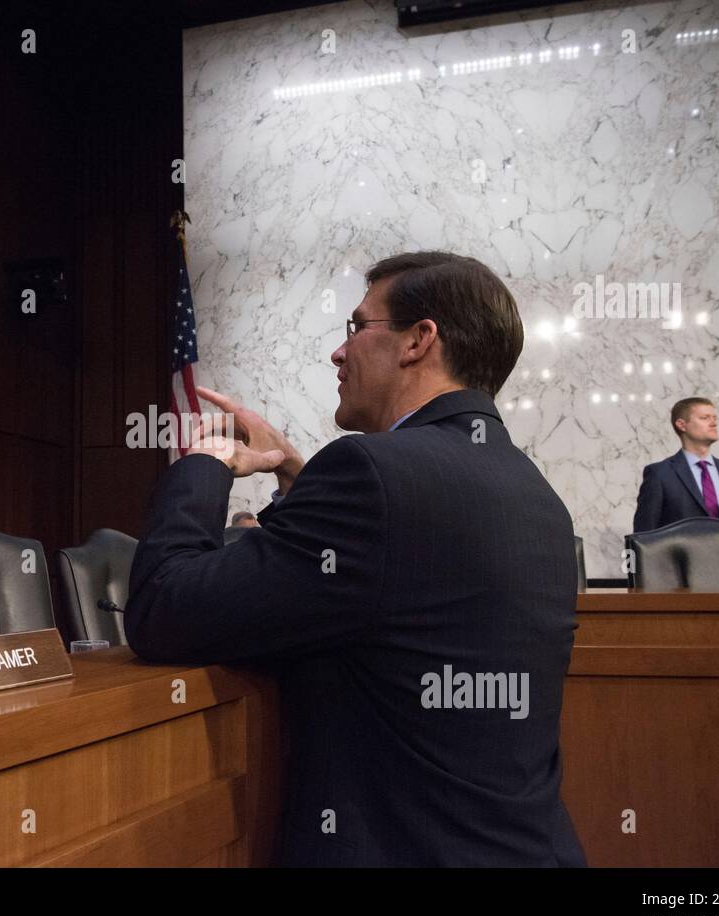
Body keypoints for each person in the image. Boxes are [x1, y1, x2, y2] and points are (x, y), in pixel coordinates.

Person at [125, 251, 585, 866]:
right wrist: (294, 472)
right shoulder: (536, 494)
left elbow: (163, 607)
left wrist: (207, 462)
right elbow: (383, 582)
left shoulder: (370, 473)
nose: (338, 353)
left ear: (419, 340)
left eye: (358, 327)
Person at [632, 398, 719, 532]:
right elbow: (644, 533)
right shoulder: (660, 474)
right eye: (704, 418)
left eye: (714, 418)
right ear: (682, 425)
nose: (714, 423)